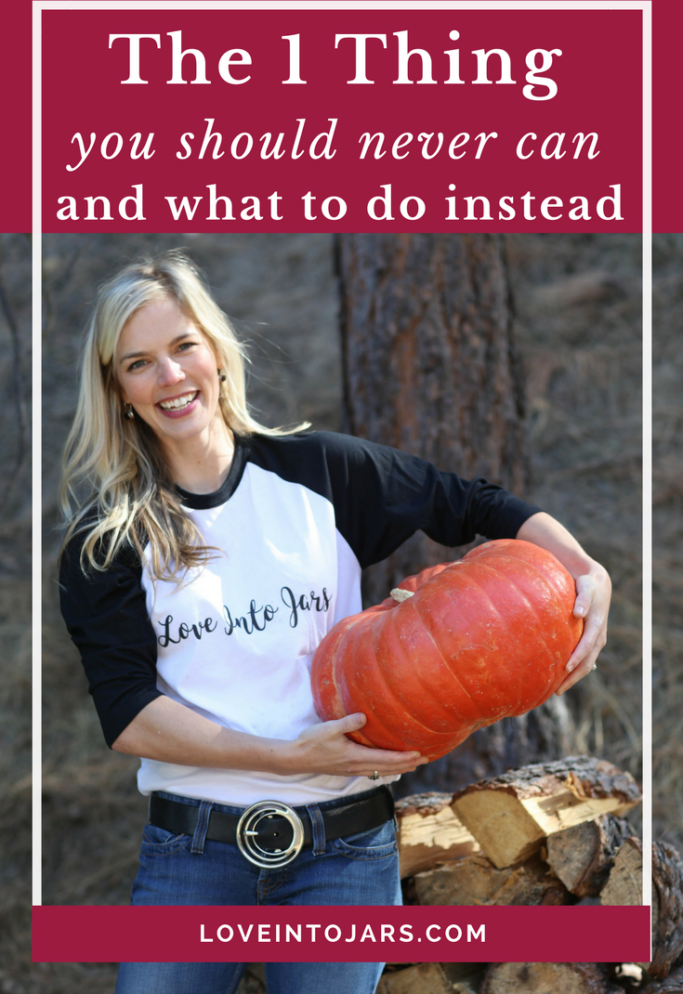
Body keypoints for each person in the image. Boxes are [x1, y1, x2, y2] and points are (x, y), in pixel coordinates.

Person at [59, 252, 611, 994]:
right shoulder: (107, 540)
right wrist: (281, 756)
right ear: (118, 389)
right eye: (139, 363)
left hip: (342, 853)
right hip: (194, 852)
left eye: (184, 346)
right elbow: (128, 713)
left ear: (218, 353)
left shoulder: (319, 474)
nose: (170, 377)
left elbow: (472, 503)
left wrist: (585, 570)